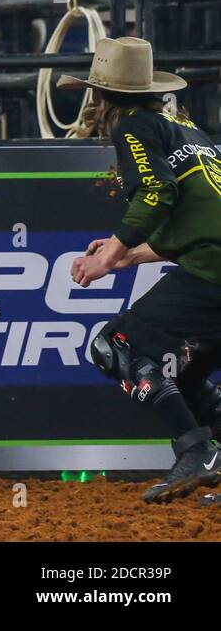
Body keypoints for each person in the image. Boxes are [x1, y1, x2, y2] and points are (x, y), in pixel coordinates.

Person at [65, 37, 221, 503]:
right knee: (182, 370)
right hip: (212, 265)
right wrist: (129, 255)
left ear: (101, 93)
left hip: (212, 270)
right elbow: (197, 220)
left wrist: (109, 255)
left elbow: (156, 193)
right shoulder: (188, 130)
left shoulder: (134, 127)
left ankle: (197, 454)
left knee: (113, 345)